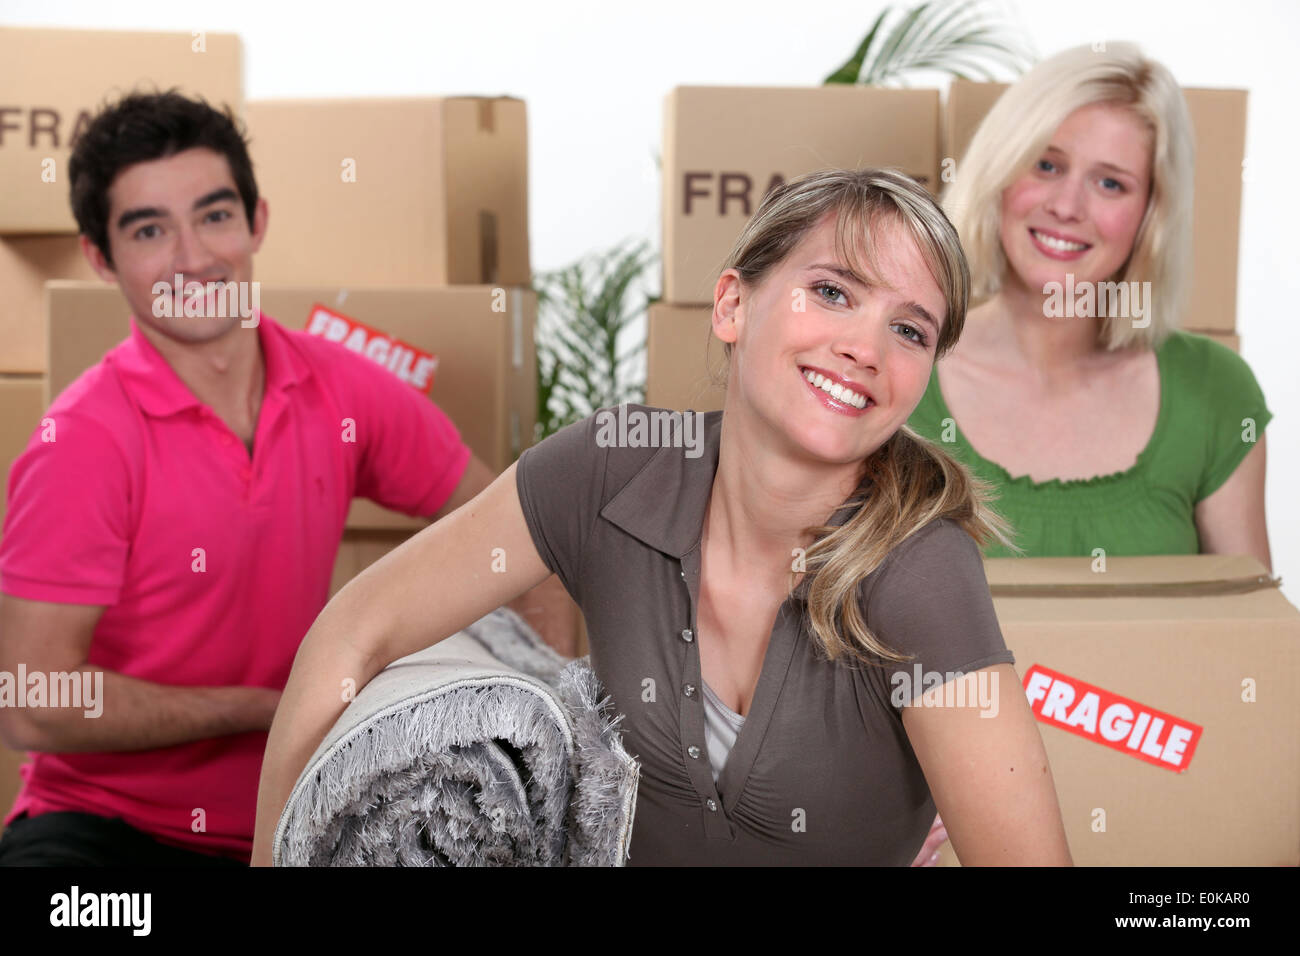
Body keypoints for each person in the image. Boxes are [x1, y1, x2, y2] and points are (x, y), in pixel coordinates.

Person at [251, 167, 1072, 866]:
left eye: (909, 329)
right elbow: (355, 632)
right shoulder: (610, 469)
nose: (867, 347)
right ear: (731, 306)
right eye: (831, 292)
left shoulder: (919, 570)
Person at [0, 90, 564, 866]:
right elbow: (34, 702)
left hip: (308, 817)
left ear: (256, 220)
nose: (193, 256)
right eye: (149, 230)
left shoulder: (340, 389)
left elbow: (525, 533)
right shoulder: (84, 441)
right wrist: (270, 708)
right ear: (101, 257)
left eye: (215, 215)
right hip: (104, 830)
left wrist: (551, 731)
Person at [908, 43, 1272, 570]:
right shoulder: (902, 370)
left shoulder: (1215, 391)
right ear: (1001, 173)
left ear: (1152, 214)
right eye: (1047, 165)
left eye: (1110, 183)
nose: (1066, 206)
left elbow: (1252, 636)